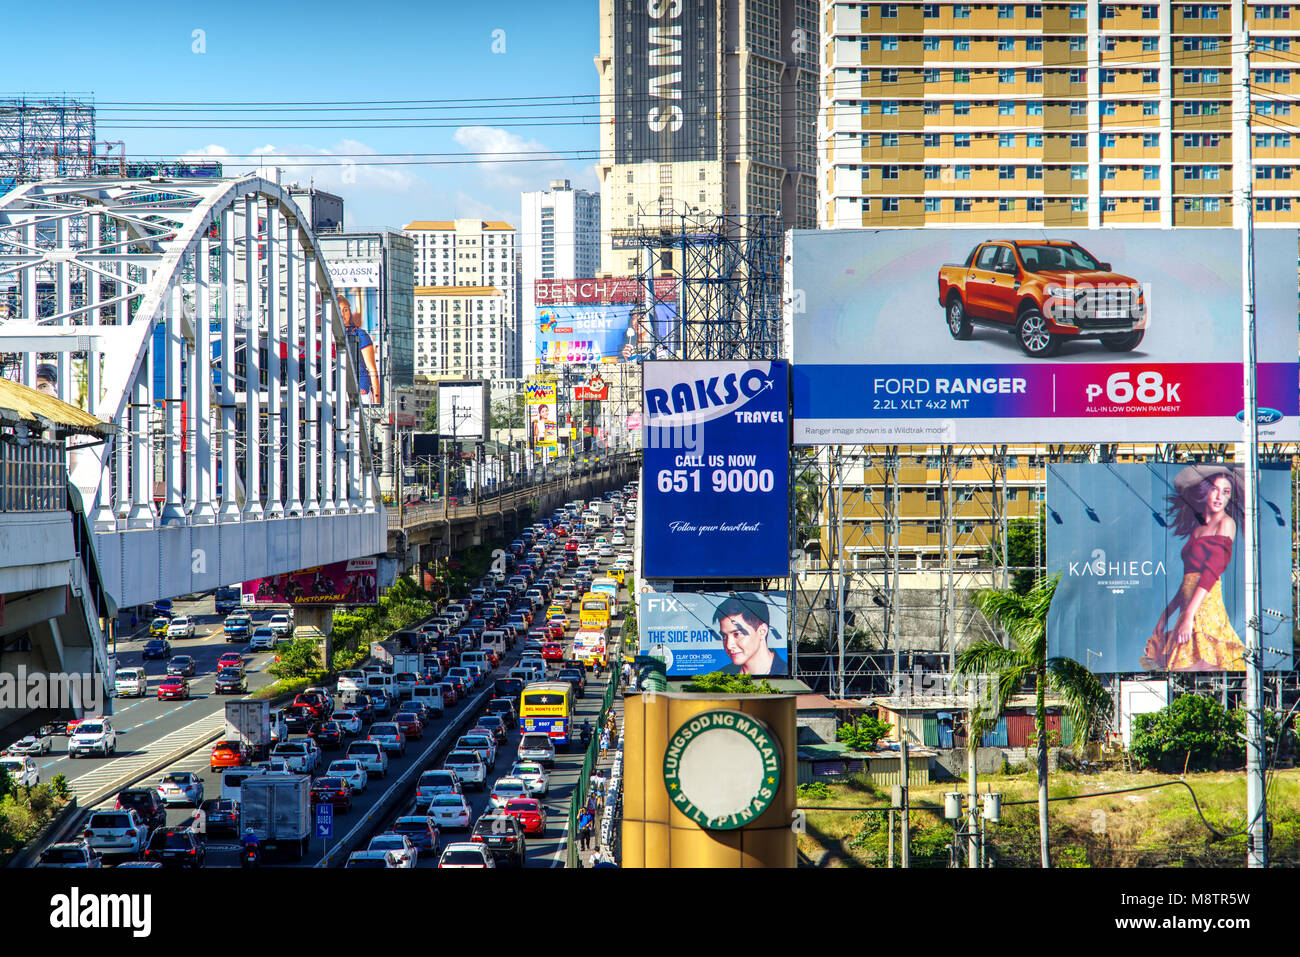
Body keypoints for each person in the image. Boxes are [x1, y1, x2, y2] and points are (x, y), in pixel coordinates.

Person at [1142, 464, 1248, 671]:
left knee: (1202, 663)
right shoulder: (1198, 529)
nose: (1219, 496)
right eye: (1214, 489)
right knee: (1179, 666)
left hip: (1206, 607)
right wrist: (1168, 613)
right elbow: (1188, 580)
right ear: (1204, 491)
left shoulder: (1226, 523)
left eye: (1225, 492)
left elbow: (1211, 571)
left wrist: (1189, 614)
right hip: (1188, 607)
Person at [713, 594, 787, 676]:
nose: (728, 645)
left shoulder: (785, 673)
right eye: (724, 636)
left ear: (762, 631)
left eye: (737, 634)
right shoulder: (721, 676)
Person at [338, 293, 380, 406]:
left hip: (361, 389)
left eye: (345, 310)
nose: (343, 314)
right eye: (339, 310)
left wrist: (377, 400)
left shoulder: (360, 334)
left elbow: (372, 369)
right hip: (335, 389)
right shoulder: (325, 335)